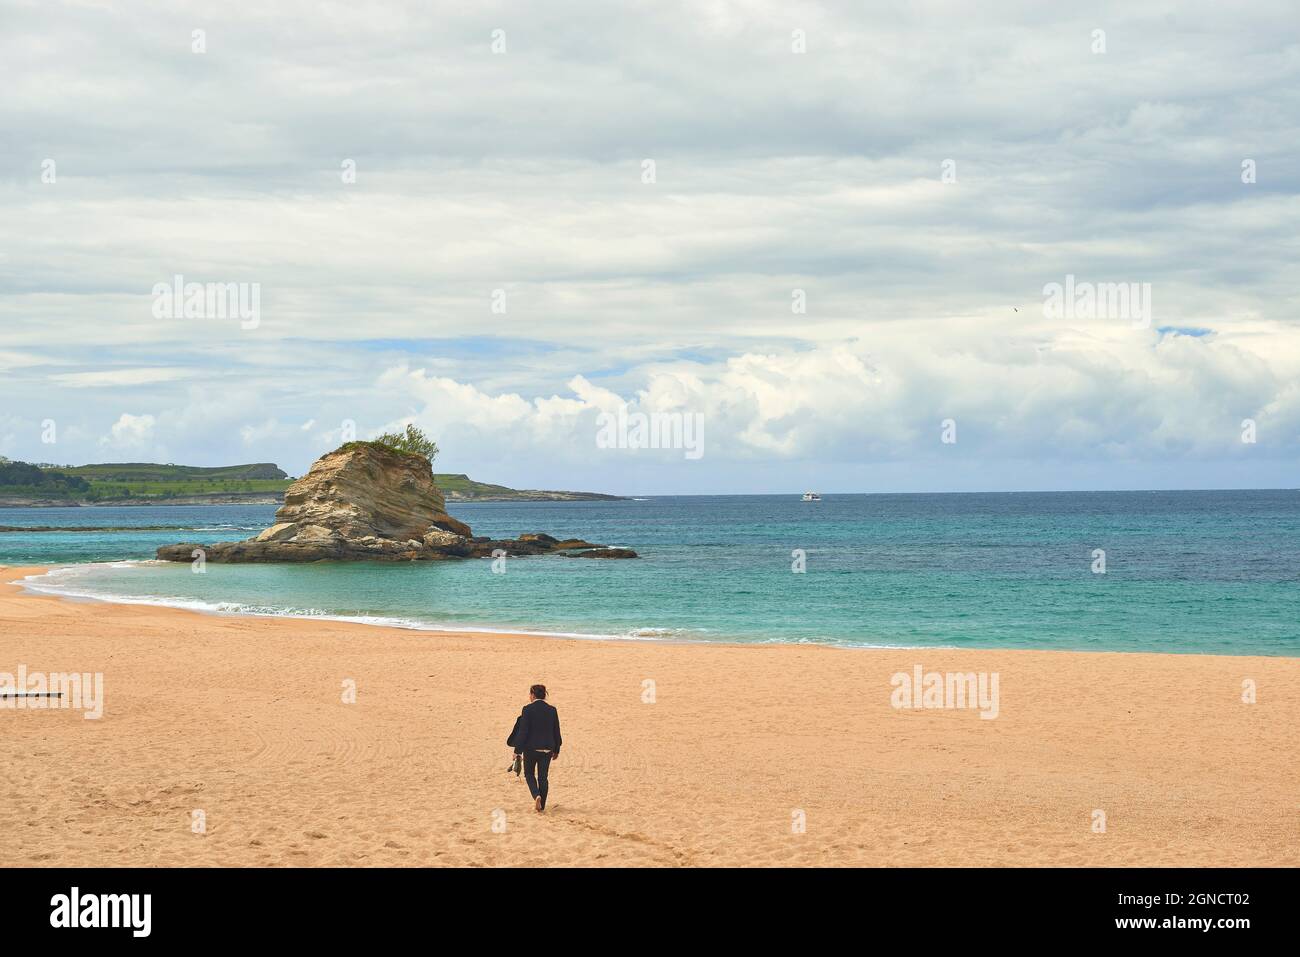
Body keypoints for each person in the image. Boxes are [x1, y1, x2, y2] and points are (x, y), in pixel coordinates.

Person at [507, 684, 562, 812]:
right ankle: (541, 805)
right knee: (543, 777)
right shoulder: (552, 710)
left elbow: (523, 732)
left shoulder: (527, 709)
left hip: (531, 749)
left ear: (532, 695)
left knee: (529, 774)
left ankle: (536, 795)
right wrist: (557, 749)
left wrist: (517, 751)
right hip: (548, 748)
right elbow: (556, 731)